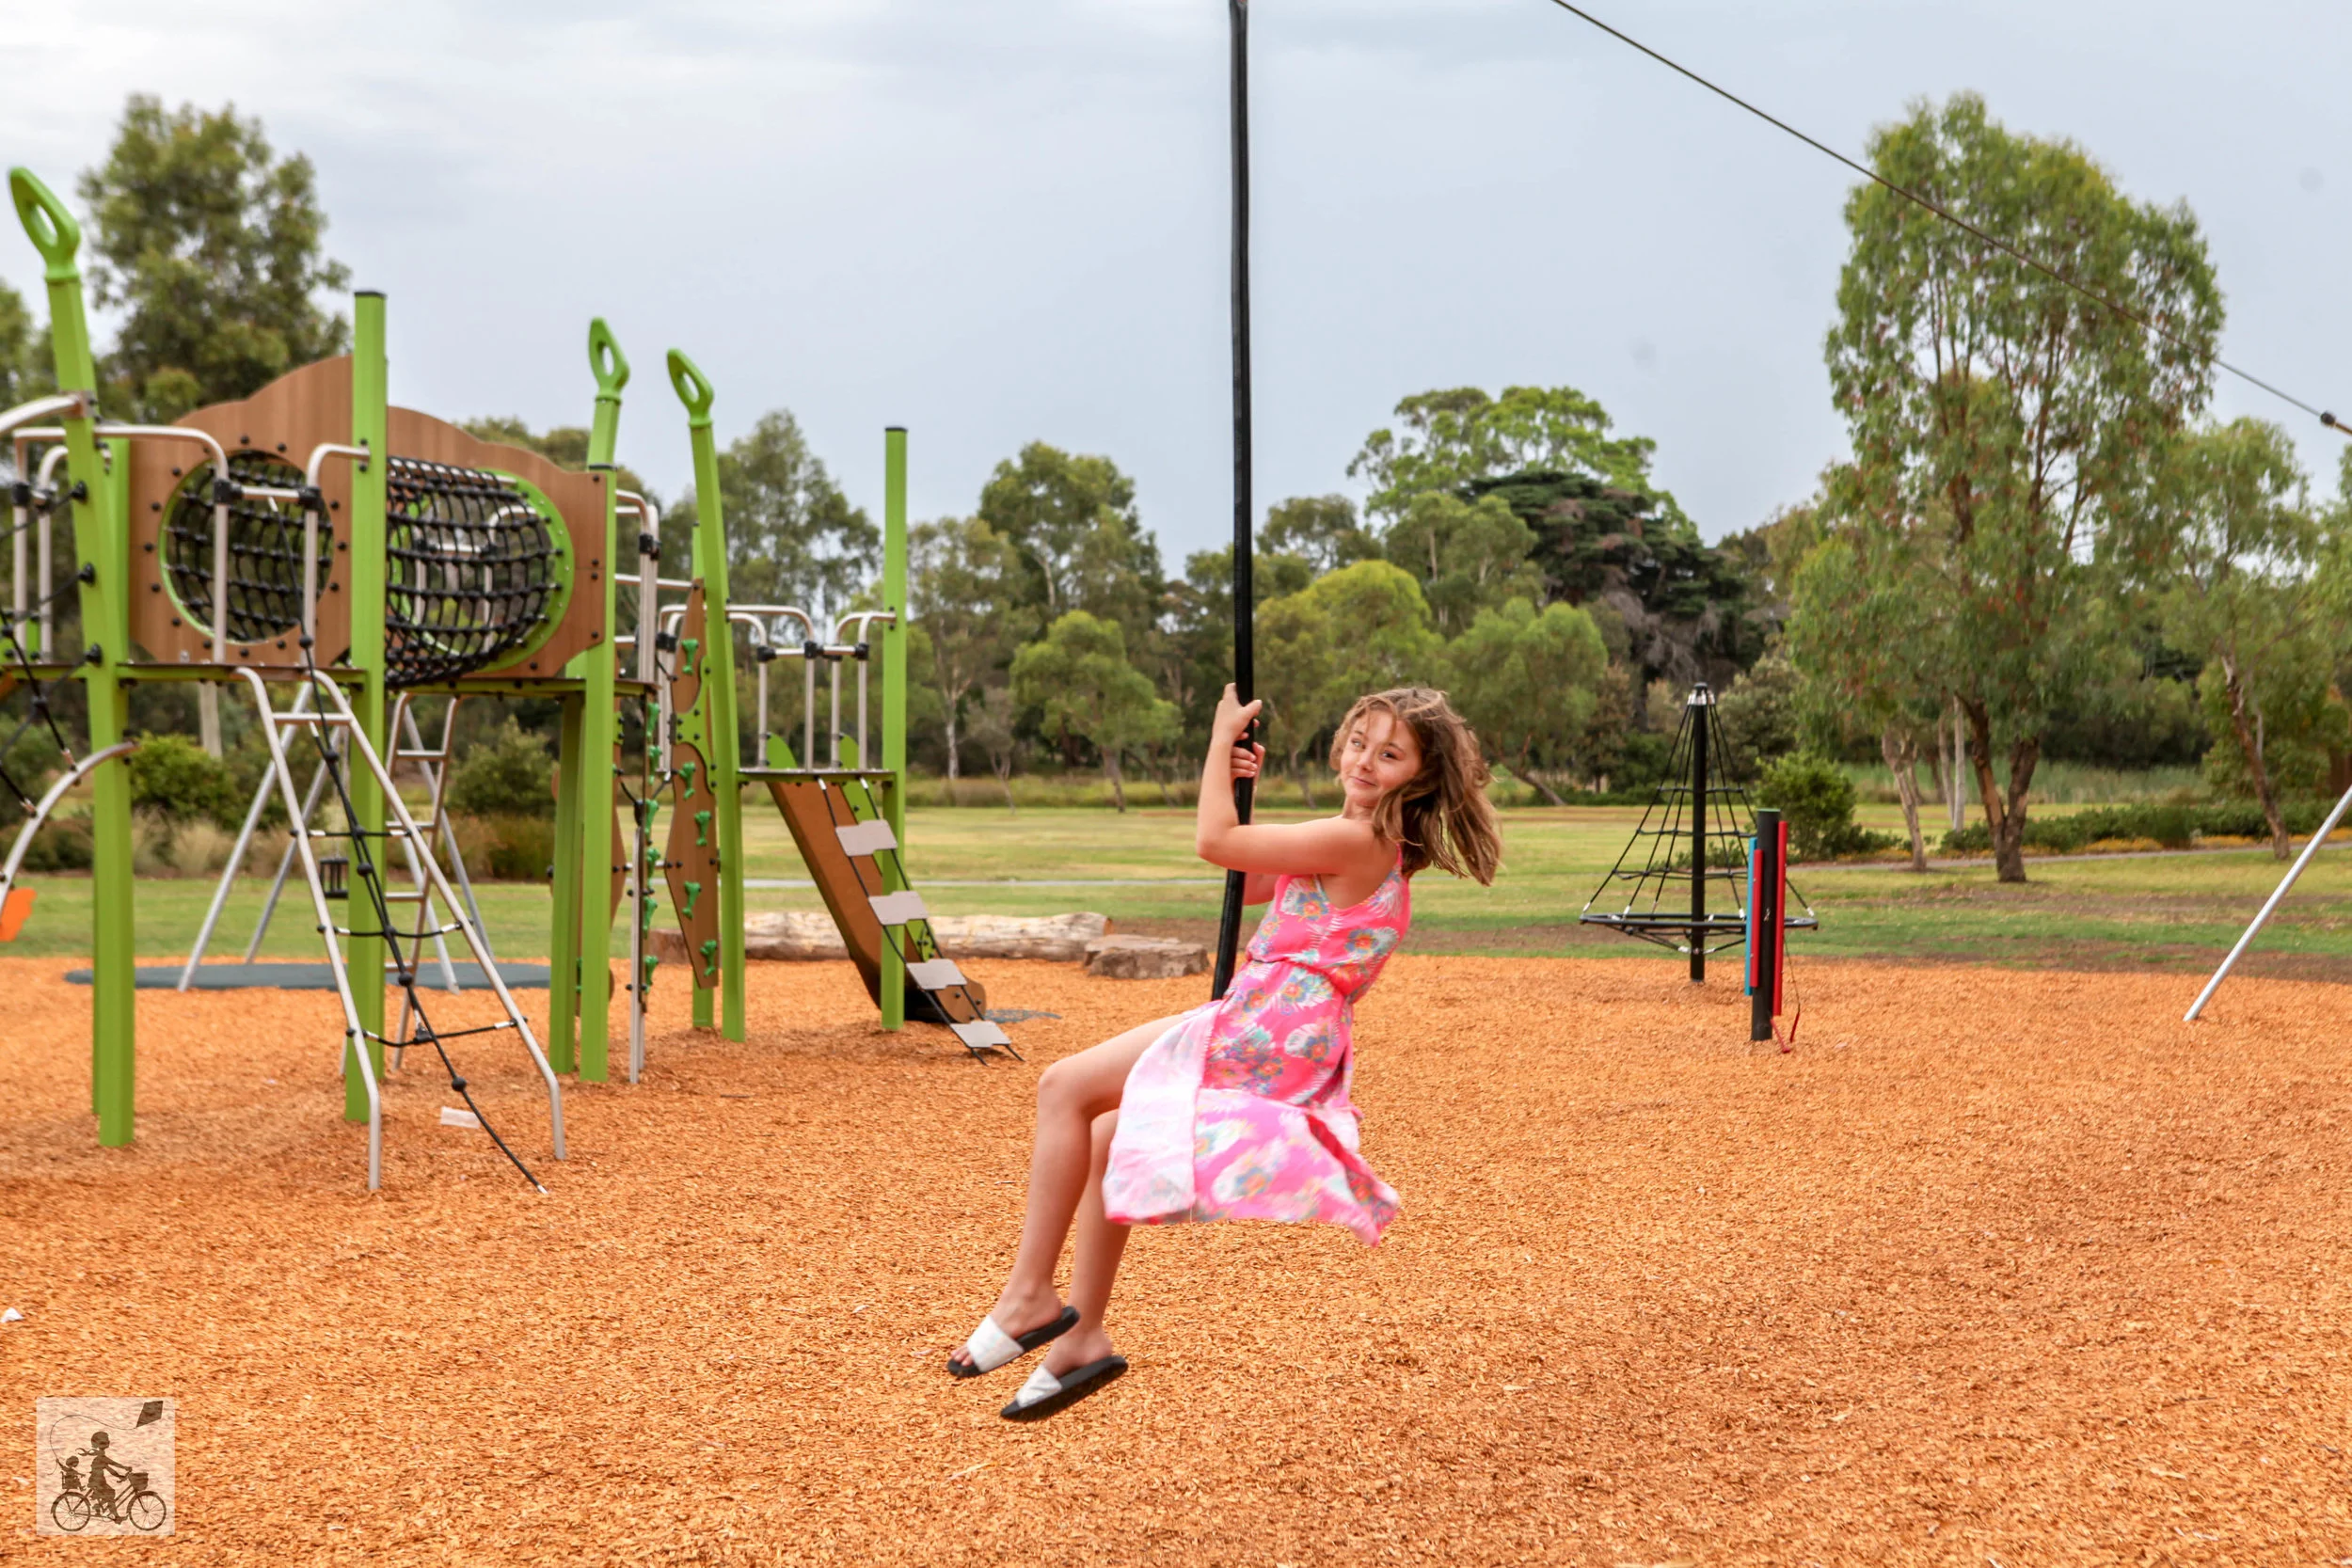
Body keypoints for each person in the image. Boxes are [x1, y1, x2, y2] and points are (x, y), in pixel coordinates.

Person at [948, 684, 1502, 1420]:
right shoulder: (1359, 843)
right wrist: (1241, 791)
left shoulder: (1358, 840)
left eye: (1390, 753)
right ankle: (1082, 1334)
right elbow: (1247, 881)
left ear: (1420, 777)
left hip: (1271, 1021)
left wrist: (1218, 741)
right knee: (1113, 1139)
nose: (1366, 759)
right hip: (1285, 1027)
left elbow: (1214, 843)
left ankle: (1028, 1295)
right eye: (1360, 741)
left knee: (1062, 1086)